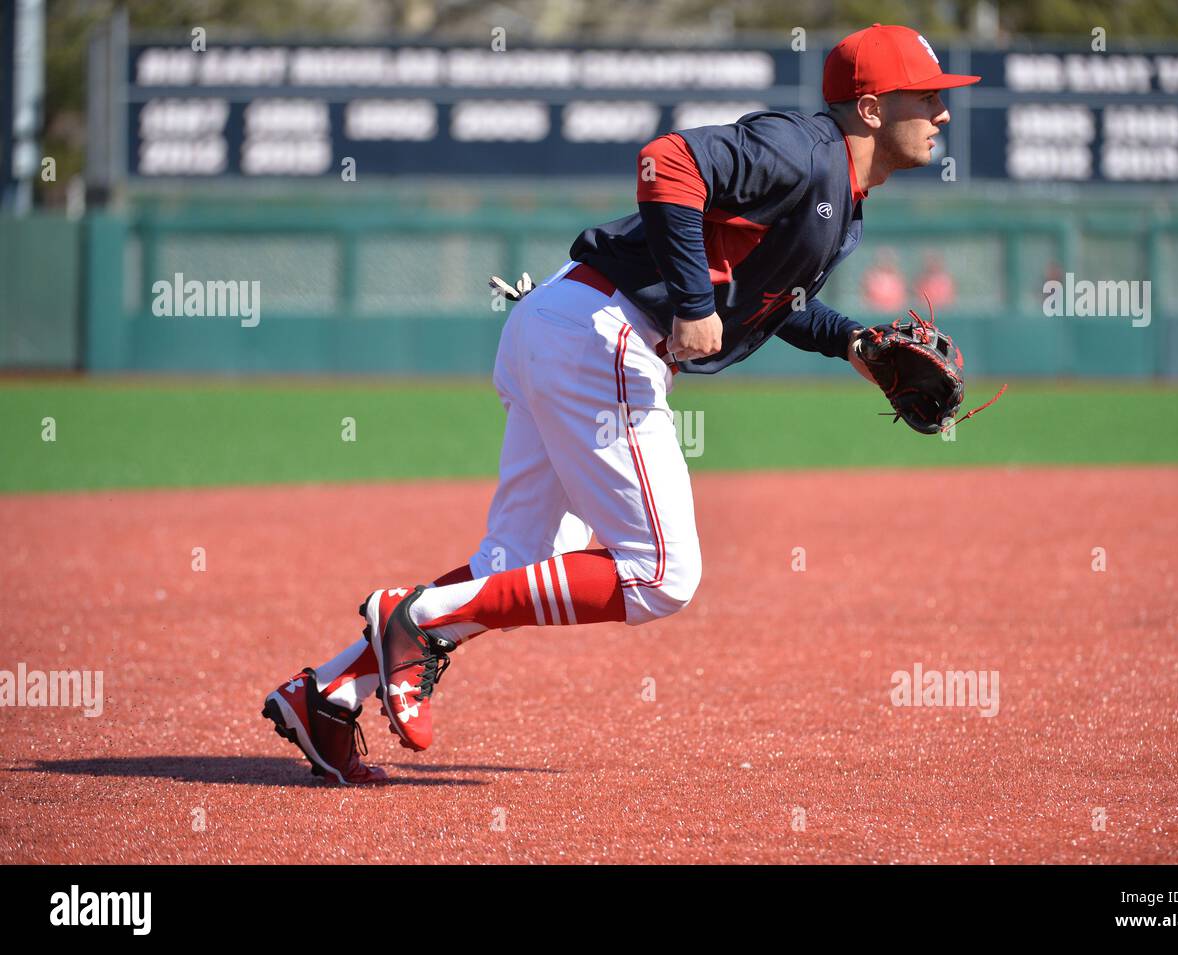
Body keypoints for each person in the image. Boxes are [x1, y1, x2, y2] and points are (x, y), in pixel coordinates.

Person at [262, 23, 980, 784]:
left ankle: (332, 694)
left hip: (568, 325)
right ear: (870, 108)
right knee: (663, 573)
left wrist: (851, 344)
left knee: (516, 565)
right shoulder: (802, 150)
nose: (941, 114)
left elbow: (774, 298)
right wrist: (693, 301)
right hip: (600, 334)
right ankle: (418, 618)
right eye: (928, 97)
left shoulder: (844, 198)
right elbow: (668, 161)